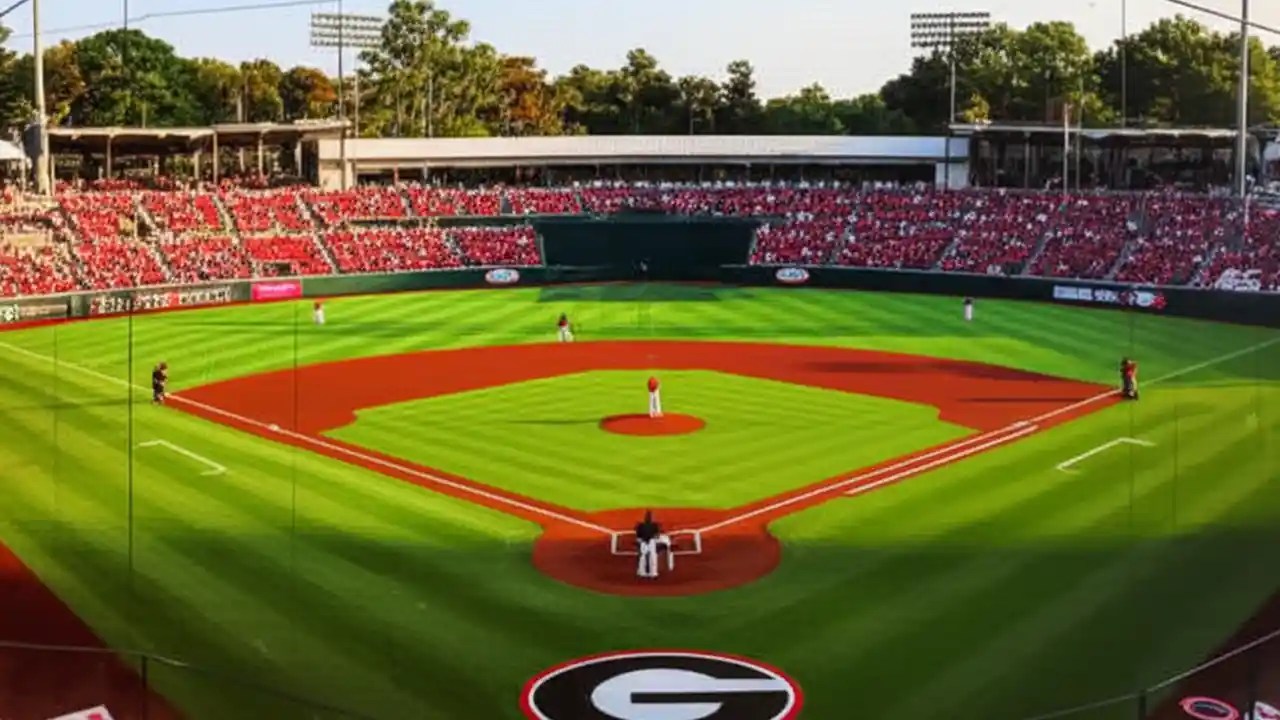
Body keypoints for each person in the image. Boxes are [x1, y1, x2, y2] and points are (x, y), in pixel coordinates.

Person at [634, 510, 671, 578]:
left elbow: (638, 536)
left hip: (644, 542)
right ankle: (652, 572)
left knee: (643, 557)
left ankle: (643, 572)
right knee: (652, 557)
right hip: (651, 542)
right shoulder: (653, 525)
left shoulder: (641, 525)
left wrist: (642, 540)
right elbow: (657, 535)